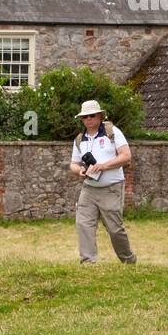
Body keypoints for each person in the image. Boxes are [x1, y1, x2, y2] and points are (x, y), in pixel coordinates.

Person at [68, 99, 137, 265]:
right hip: (89, 189)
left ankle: (128, 260)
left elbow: (126, 156)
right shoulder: (79, 140)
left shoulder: (112, 132)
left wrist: (103, 166)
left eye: (92, 115)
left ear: (100, 116)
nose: (88, 119)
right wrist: (80, 171)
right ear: (81, 119)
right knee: (83, 224)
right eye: (85, 117)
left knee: (114, 229)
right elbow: (73, 164)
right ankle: (88, 262)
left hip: (111, 188)